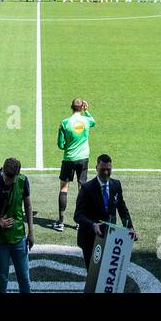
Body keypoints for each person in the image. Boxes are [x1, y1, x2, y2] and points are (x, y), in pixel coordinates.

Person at [73, 154, 136, 271]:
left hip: (110, 237)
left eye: (108, 170)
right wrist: (93, 225)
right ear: (96, 168)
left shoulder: (116, 185)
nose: (106, 173)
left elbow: (122, 208)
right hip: (90, 240)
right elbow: (78, 215)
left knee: (106, 273)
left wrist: (130, 227)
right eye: (103, 170)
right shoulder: (86, 188)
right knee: (93, 274)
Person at [0, 157, 34, 293]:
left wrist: (31, 231)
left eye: (11, 178)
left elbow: (28, 205)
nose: (7, 181)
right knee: (1, 280)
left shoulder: (23, 180)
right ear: (2, 170)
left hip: (18, 237)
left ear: (18, 174)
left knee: (24, 278)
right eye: (6, 177)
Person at [55, 98, 96, 232]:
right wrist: (87, 111)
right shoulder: (86, 120)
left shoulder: (65, 123)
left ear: (71, 107)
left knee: (64, 188)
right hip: (83, 158)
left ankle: (61, 222)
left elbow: (60, 145)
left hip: (69, 159)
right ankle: (80, 222)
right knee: (82, 188)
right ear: (81, 107)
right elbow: (93, 121)